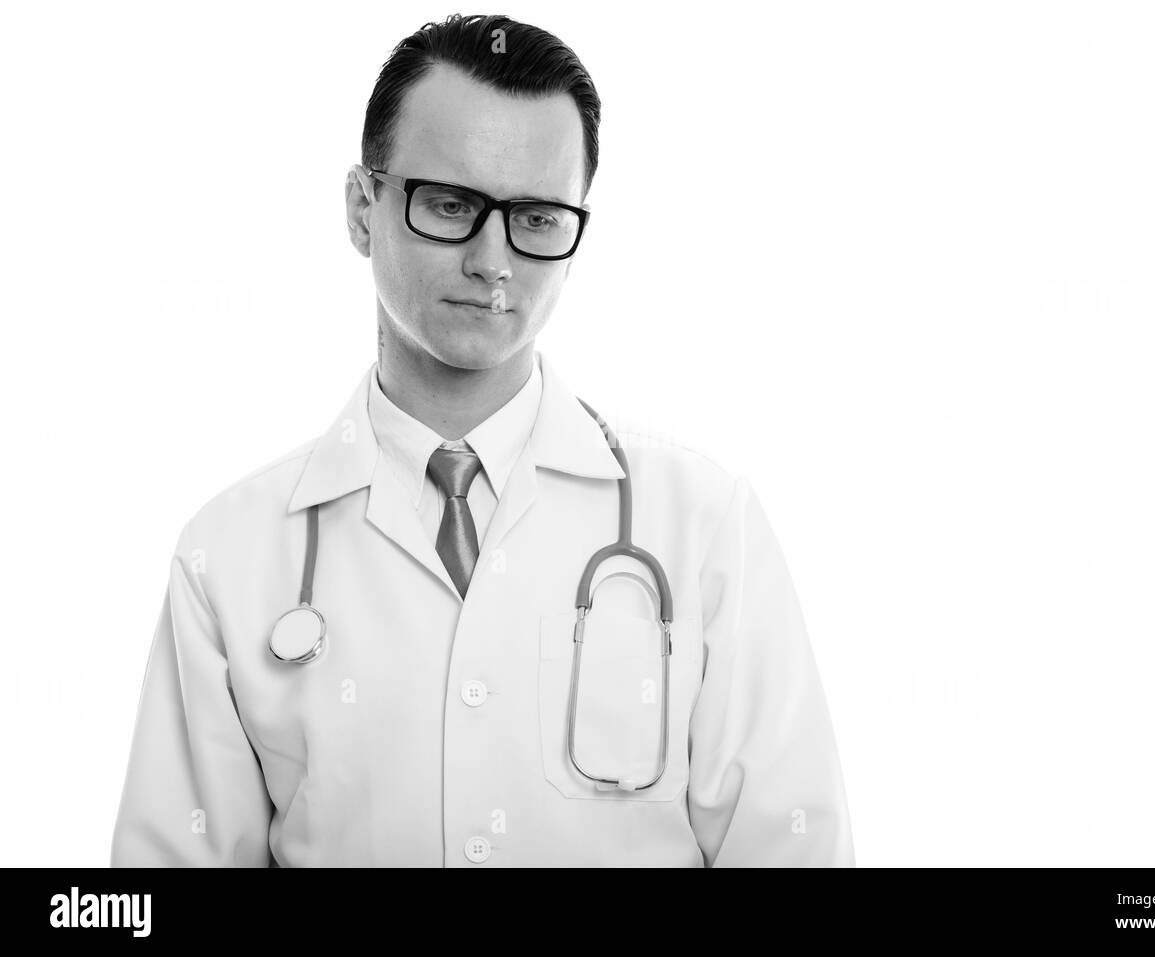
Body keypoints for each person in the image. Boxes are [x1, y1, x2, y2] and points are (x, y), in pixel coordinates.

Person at [110, 13, 855, 867]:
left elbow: (794, 850)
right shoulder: (231, 554)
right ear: (363, 210)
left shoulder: (703, 523)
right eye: (453, 206)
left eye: (536, 218)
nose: (493, 260)